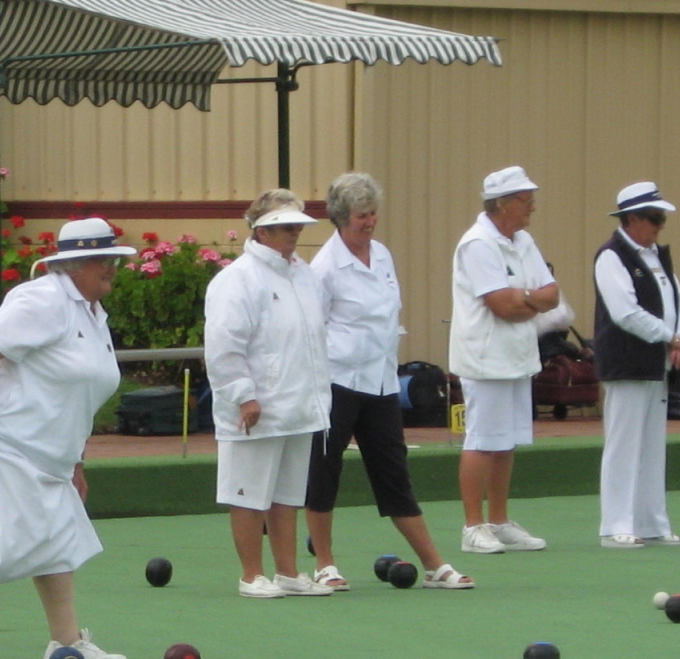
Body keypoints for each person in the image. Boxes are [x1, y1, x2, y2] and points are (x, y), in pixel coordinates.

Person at [0, 217, 134, 659]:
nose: (111, 267)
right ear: (72, 264)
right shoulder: (42, 298)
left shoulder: (93, 314)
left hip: (42, 443)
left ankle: (66, 642)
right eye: (101, 258)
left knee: (54, 532)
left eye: (113, 258)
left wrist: (76, 461)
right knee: (14, 530)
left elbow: (80, 393)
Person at [305, 172, 474, 590]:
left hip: (382, 383)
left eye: (373, 213)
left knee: (394, 473)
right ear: (341, 217)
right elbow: (312, 330)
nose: (370, 222)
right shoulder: (323, 268)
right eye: (362, 215)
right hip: (337, 383)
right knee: (323, 473)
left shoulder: (382, 255)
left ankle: (434, 565)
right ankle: (325, 564)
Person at [204, 189, 334, 598]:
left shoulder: (304, 274)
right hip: (255, 407)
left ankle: (289, 573)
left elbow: (313, 338)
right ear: (261, 231)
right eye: (284, 226)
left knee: (288, 493)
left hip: (298, 404)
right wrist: (244, 395)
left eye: (296, 225)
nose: (294, 232)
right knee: (246, 492)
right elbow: (224, 345)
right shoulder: (237, 279)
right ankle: (251, 575)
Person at [449, 166, 560, 554]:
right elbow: (501, 305)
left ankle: (498, 521)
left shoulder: (524, 240)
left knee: (506, 442)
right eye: (525, 199)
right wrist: (529, 299)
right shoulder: (477, 244)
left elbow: (551, 294)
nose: (532, 206)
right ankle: (472, 526)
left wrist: (523, 297)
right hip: (485, 357)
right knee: (482, 440)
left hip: (518, 356)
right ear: (502, 204)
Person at [593, 181, 680, 549]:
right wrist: (670, 337)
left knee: (652, 446)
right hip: (626, 363)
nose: (659, 226)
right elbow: (625, 312)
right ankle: (615, 525)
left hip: (657, 365)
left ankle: (652, 523)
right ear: (631, 218)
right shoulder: (611, 256)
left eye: (662, 218)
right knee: (623, 444)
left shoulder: (657, 257)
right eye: (654, 218)